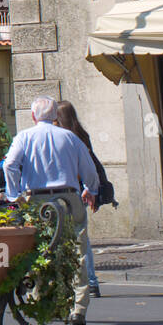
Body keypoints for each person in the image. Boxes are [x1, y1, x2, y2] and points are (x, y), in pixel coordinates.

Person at [3, 95, 99, 325]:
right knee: (77, 250)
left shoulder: (24, 137)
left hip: (38, 199)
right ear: (55, 116)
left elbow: (9, 164)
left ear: (34, 116)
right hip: (68, 196)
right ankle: (78, 308)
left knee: (39, 249)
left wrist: (14, 195)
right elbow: (89, 168)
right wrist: (91, 188)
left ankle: (39, 298)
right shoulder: (70, 137)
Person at [55, 100, 106, 299]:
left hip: (66, 191)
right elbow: (90, 164)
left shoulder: (63, 138)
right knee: (81, 238)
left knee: (63, 238)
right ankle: (91, 282)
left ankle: (73, 282)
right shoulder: (81, 135)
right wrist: (89, 188)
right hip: (80, 192)